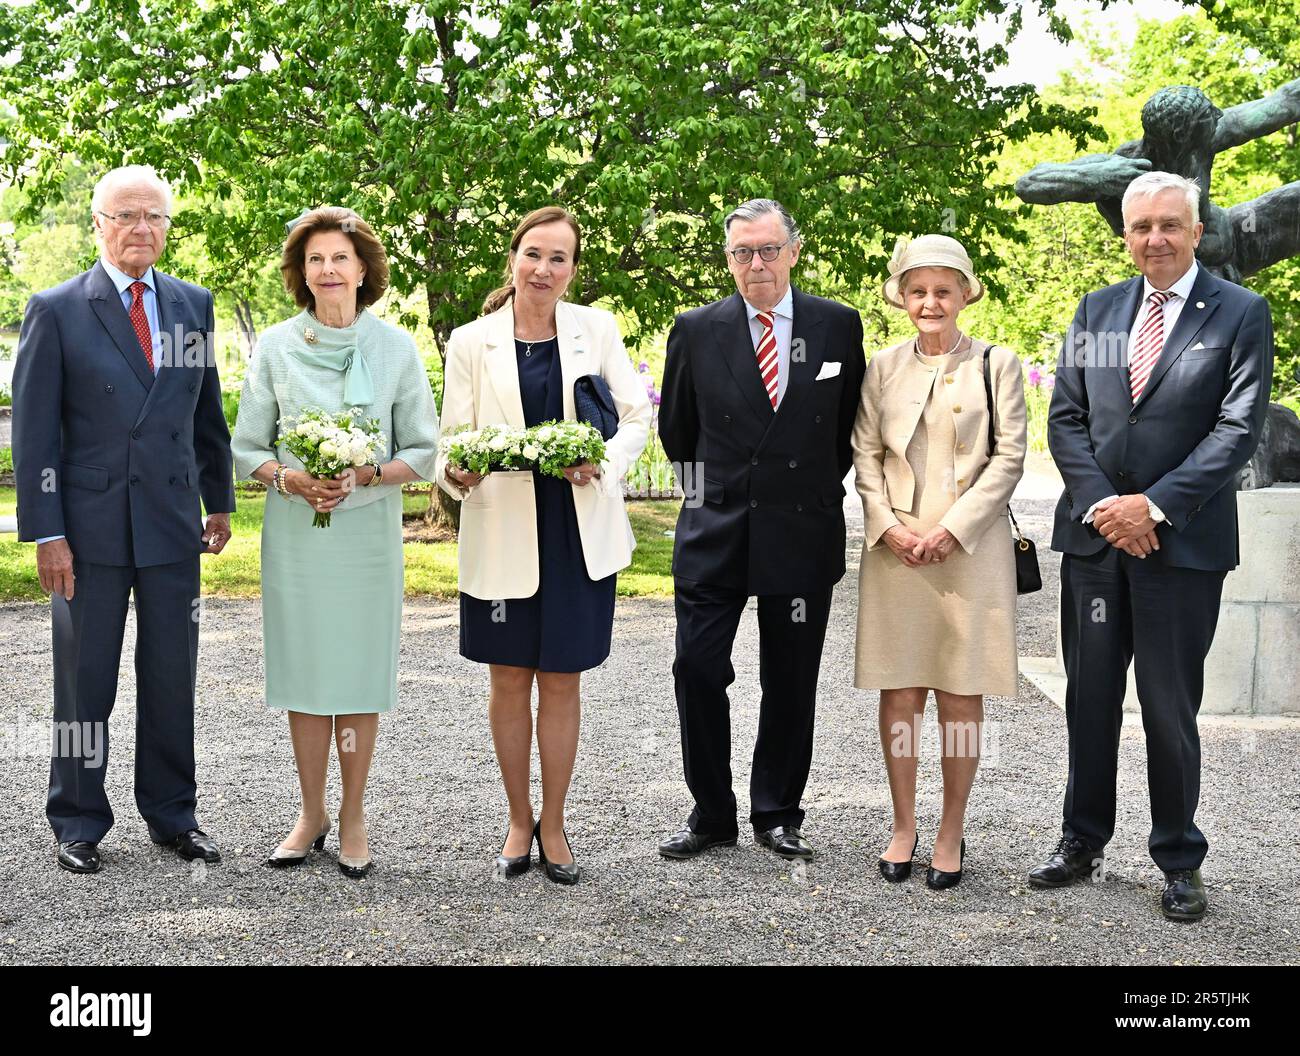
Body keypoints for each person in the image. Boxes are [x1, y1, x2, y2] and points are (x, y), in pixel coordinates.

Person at [1032, 171, 1273, 921]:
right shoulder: (1099, 311)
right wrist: (1108, 507)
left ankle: (1178, 857)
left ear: (1197, 231)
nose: (1155, 239)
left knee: (1170, 706)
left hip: (1183, 547)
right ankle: (1082, 839)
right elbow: (1066, 418)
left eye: (1171, 225)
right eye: (1142, 227)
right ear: (1126, 234)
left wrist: (1155, 508)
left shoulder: (1239, 313)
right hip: (1097, 544)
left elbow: (1237, 429)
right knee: (1090, 697)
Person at [12, 165, 235, 874]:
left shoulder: (192, 304)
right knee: (86, 683)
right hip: (88, 532)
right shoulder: (56, 308)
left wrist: (220, 498)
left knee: (173, 676)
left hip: (172, 524)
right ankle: (77, 819)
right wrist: (46, 531)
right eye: (127, 216)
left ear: (168, 227)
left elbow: (204, 410)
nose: (142, 229)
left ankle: (173, 816)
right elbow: (34, 434)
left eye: (155, 218)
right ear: (98, 224)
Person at [435, 206, 650, 885]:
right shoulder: (472, 341)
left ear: (573, 269)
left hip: (576, 528)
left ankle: (554, 823)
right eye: (534, 254)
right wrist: (457, 472)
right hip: (501, 525)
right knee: (507, 682)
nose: (544, 269)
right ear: (514, 258)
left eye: (559, 258)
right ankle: (517, 818)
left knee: (561, 681)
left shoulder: (599, 330)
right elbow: (450, 439)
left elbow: (637, 415)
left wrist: (605, 463)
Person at [231, 206, 440, 879]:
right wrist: (288, 478)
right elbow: (246, 447)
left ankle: (352, 814)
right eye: (315, 259)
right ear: (302, 272)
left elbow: (424, 450)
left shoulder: (396, 350)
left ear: (363, 270)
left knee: (355, 672)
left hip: (366, 537)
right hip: (297, 536)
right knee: (305, 673)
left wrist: (366, 475)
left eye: (339, 259)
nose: (328, 270)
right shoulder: (276, 348)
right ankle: (310, 811)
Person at [657, 198, 865, 863]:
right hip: (713, 531)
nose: (756, 264)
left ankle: (777, 813)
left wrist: (802, 491)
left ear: (794, 251)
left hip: (800, 532)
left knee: (791, 678)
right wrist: (709, 499)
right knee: (697, 669)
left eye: (768, 249)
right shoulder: (695, 329)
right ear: (728, 259)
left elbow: (844, 433)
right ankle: (712, 812)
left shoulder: (837, 326)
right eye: (742, 252)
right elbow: (678, 433)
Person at [852, 235, 1027, 888]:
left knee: (959, 695)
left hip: (970, 554)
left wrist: (952, 530)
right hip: (896, 554)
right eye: (917, 289)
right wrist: (887, 528)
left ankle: (950, 829)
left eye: (943, 290)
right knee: (900, 693)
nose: (930, 301)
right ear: (902, 296)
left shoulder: (998, 363)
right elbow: (865, 456)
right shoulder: (880, 368)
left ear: (964, 296)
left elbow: (1010, 459)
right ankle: (904, 825)